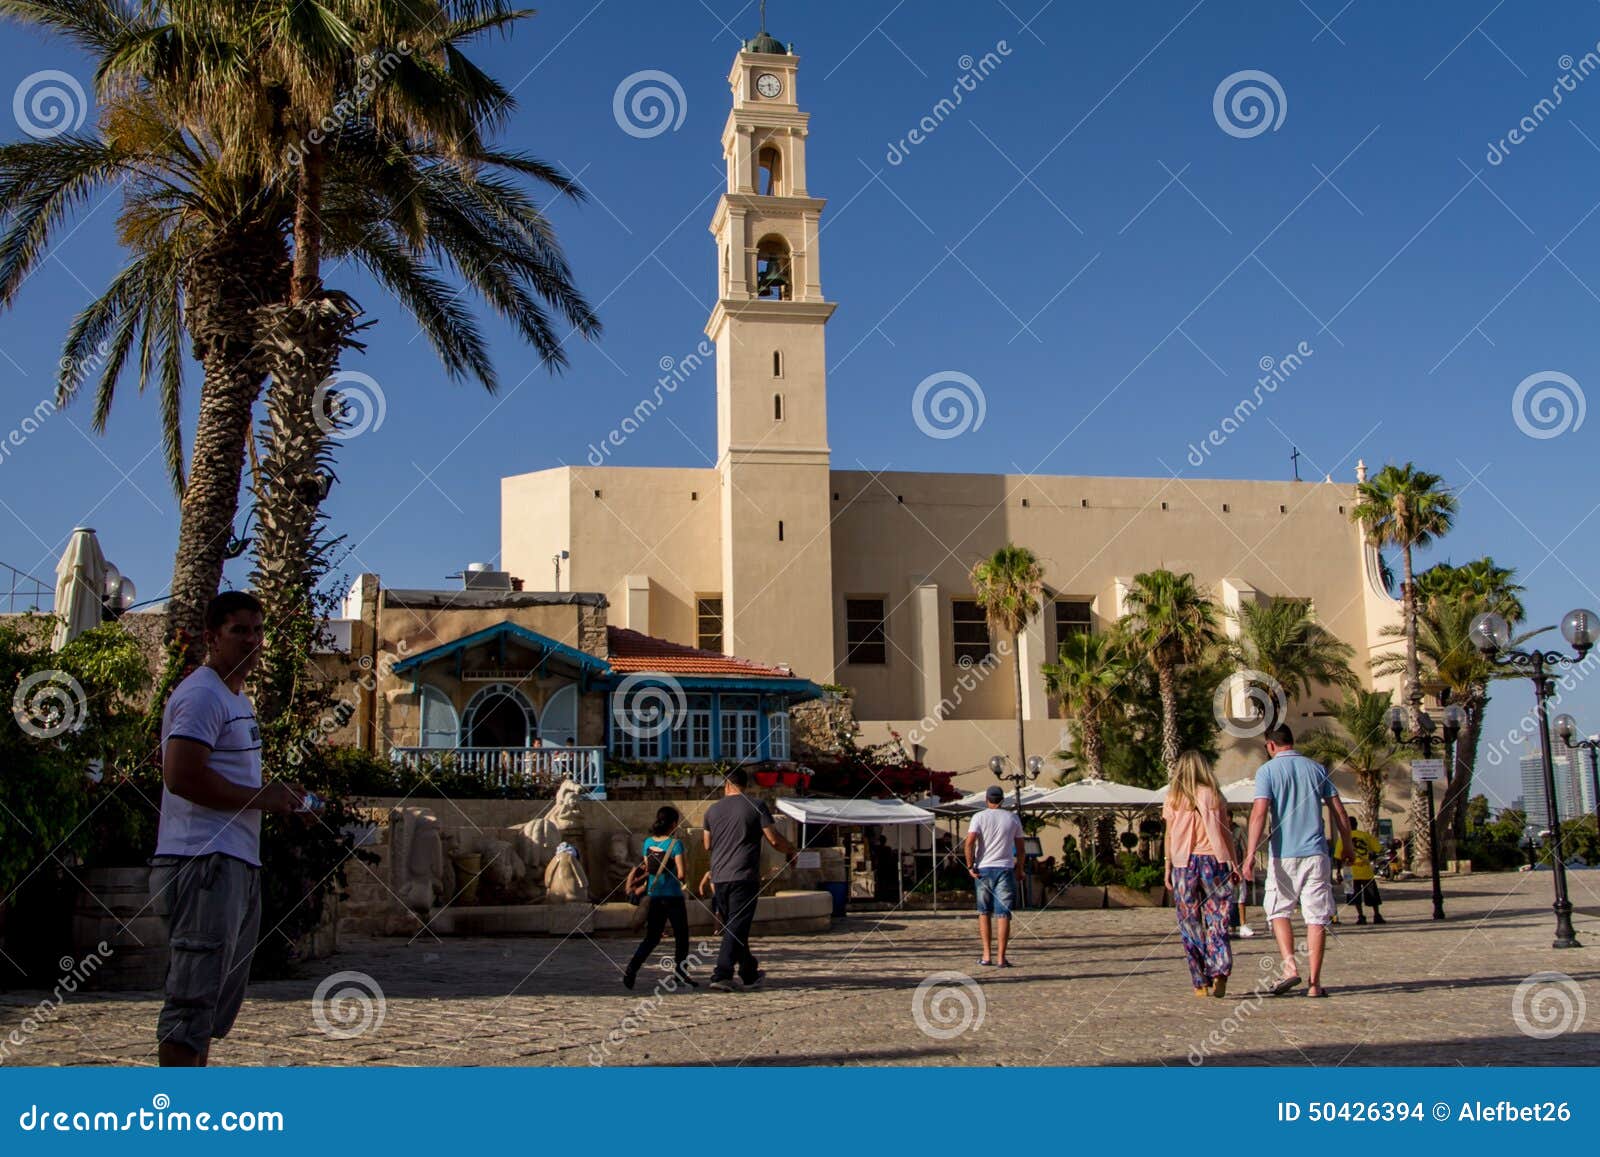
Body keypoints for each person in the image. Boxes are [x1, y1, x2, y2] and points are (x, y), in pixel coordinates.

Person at [150, 591, 310, 1067]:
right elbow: (180, 775)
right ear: (211, 637)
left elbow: (229, 777)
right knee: (191, 1007)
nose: (253, 640)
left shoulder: (234, 697)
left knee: (211, 1009)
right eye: (239, 630)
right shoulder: (202, 694)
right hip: (202, 863)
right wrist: (264, 799)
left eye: (259, 630)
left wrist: (283, 798)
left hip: (233, 864)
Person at [1243, 724, 1354, 998]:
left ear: (1270, 745)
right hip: (1316, 853)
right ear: (1291, 742)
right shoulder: (1316, 768)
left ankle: (1290, 966)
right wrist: (1347, 844)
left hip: (1284, 855)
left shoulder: (1267, 772)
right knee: (1316, 917)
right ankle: (1315, 984)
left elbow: (1258, 814)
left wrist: (1248, 856)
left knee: (1278, 910)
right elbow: (1338, 810)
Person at [703, 767, 796, 992]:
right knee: (736, 925)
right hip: (743, 875)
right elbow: (773, 840)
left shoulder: (711, 810)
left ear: (726, 784)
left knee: (735, 925)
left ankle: (749, 972)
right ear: (746, 785)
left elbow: (707, 844)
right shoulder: (756, 805)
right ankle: (722, 973)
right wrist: (791, 850)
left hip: (720, 876)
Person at [1163, 751, 1239, 998]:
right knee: (1218, 919)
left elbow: (1170, 835)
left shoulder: (1173, 797)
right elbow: (1226, 832)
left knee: (1189, 922)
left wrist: (1167, 866)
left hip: (1184, 864)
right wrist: (1234, 863)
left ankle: (1199, 982)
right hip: (1214, 861)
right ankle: (1219, 970)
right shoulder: (1215, 795)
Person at [623, 806, 693, 989]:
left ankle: (632, 968)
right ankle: (680, 974)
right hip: (673, 896)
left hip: (655, 896)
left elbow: (648, 867)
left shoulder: (647, 843)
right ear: (673, 824)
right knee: (682, 937)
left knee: (652, 938)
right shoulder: (675, 844)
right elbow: (682, 874)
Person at [964, 785, 1025, 967]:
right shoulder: (1013, 818)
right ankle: (1001, 958)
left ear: (987, 800)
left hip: (984, 868)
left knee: (984, 912)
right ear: (1002, 800)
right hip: (1005, 868)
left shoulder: (979, 817)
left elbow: (969, 843)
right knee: (1003, 914)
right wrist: (1019, 869)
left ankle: (986, 955)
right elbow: (1021, 849)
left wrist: (970, 865)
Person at [1336, 820, 1386, 924]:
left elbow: (1338, 857)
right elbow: (1378, 848)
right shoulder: (1365, 835)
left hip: (1349, 870)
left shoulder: (1342, 839)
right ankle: (1377, 915)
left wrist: (1338, 872)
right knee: (1372, 894)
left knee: (1354, 896)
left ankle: (1361, 916)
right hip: (1365, 869)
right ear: (1356, 824)